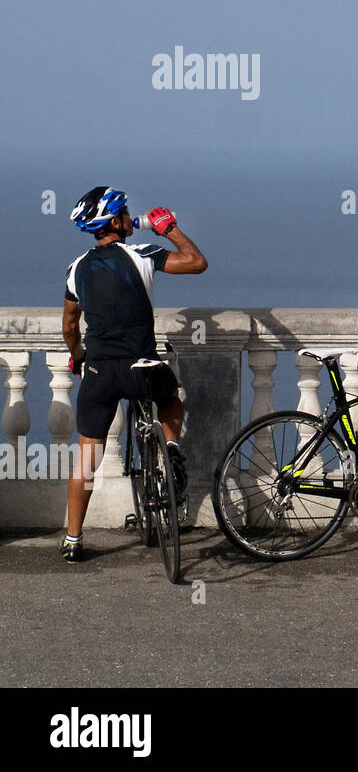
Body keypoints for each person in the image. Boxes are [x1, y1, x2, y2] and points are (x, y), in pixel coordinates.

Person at [62, 186, 208, 563]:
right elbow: (196, 262)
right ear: (116, 222)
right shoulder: (142, 253)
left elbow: (69, 325)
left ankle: (73, 540)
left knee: (86, 461)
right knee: (171, 400)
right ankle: (171, 450)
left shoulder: (76, 268)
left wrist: (77, 356)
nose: (131, 217)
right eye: (125, 212)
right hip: (141, 368)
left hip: (99, 372)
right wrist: (169, 228)